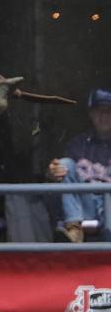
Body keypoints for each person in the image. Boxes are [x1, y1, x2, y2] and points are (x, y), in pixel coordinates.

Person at [46, 87, 111, 243]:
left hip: (110, 205)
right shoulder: (76, 144)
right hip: (84, 205)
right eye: (99, 111)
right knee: (64, 163)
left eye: (109, 111)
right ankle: (74, 230)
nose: (104, 116)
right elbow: (64, 174)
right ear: (91, 114)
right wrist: (52, 172)